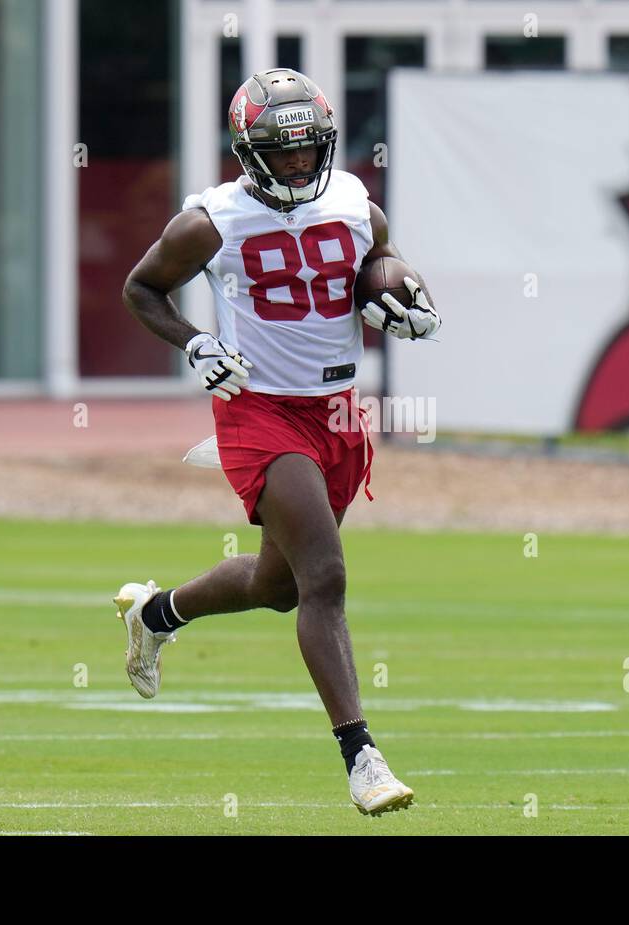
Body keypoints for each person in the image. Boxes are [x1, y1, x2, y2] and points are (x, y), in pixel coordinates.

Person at [114, 68, 441, 816]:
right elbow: (142, 287)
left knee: (282, 584)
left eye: (307, 150)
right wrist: (194, 343)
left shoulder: (355, 199)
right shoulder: (211, 220)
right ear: (246, 150)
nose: (297, 163)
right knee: (325, 577)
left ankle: (156, 613)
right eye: (281, 151)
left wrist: (400, 292)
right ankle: (362, 757)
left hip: (336, 413)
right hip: (259, 410)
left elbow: (374, 265)